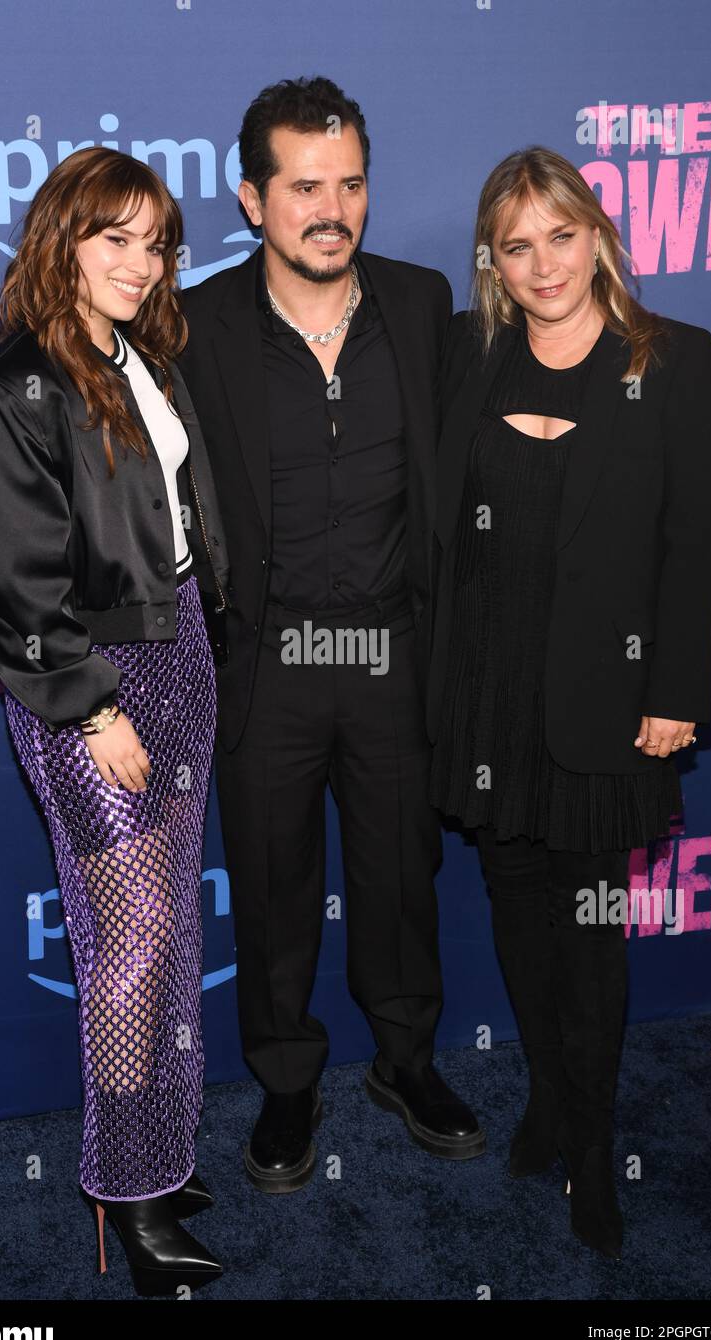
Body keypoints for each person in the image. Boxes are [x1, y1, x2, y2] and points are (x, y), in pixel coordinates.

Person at [178, 76, 485, 1193]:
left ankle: (406, 1061)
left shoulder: (418, 301)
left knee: (401, 873)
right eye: (304, 185)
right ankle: (286, 1081)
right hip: (265, 660)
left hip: (392, 652)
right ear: (250, 196)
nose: (331, 208)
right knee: (270, 884)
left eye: (349, 182)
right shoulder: (198, 323)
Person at [426, 146, 711, 1258]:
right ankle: (547, 1095)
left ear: (596, 233)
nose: (542, 262)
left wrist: (673, 694)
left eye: (560, 233)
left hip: (609, 703)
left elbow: (691, 541)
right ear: (492, 261)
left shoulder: (671, 359)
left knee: (589, 933)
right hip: (486, 693)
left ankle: (592, 1149)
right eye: (517, 243)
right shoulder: (471, 354)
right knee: (514, 905)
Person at [0, 147, 230, 1295]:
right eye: (110, 236)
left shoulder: (146, 356)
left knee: (173, 939)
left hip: (184, 658)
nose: (138, 260)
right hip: (88, 684)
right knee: (128, 949)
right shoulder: (2, 392)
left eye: (154, 239)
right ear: (57, 240)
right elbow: (23, 582)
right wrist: (89, 703)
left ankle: (168, 1152)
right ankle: (124, 1189)